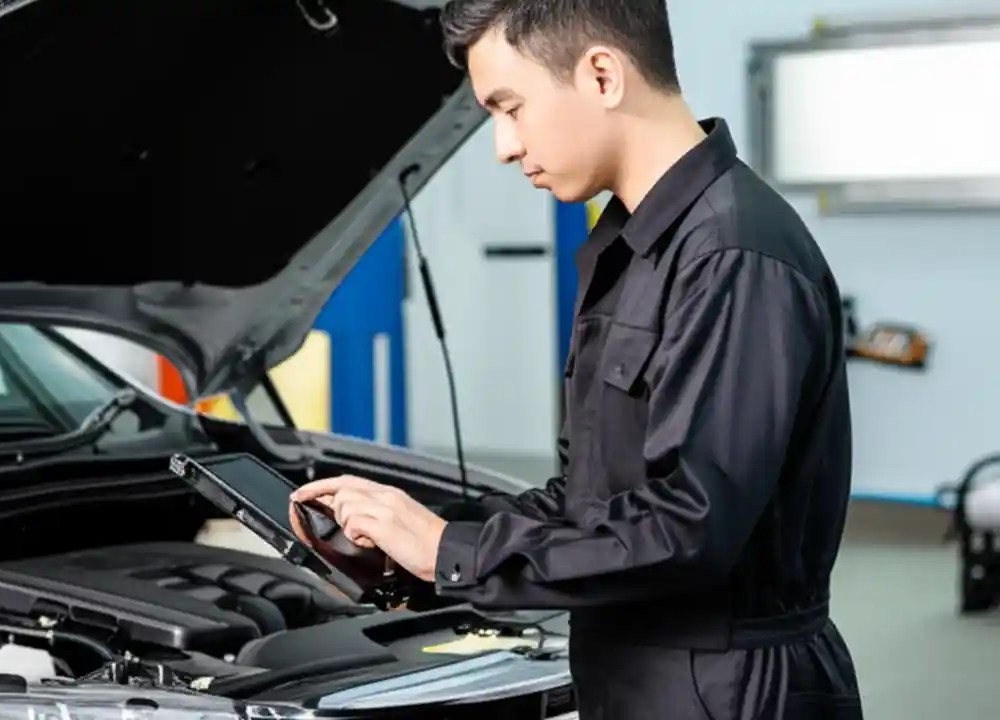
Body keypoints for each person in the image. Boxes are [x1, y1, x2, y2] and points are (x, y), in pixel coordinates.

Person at [289, 0, 863, 717]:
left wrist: (453, 553)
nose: (503, 146)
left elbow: (689, 529)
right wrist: (420, 537)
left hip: (726, 691)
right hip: (635, 669)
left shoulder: (732, 254)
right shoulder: (629, 248)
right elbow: (588, 502)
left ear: (601, 75)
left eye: (510, 108)